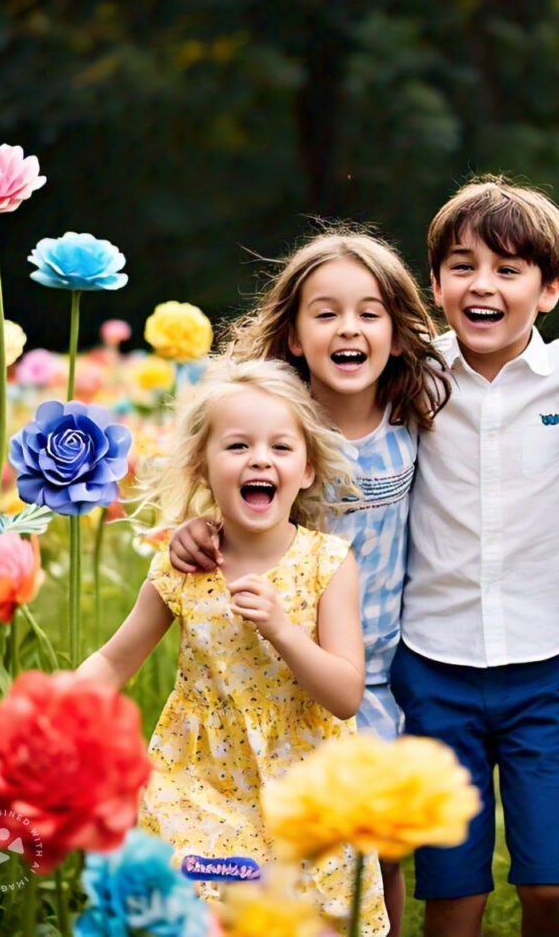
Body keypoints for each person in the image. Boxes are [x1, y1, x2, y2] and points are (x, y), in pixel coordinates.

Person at [167, 229, 449, 935]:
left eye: (369, 312)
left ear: (396, 331)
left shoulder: (413, 417)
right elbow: (228, 490)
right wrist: (192, 530)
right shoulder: (277, 425)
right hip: (278, 666)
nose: (347, 328)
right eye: (325, 313)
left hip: (375, 672)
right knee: (277, 846)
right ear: (292, 335)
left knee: (376, 847)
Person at [78, 357, 387, 935]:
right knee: (199, 916)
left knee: (302, 921)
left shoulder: (327, 564)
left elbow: (346, 694)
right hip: (198, 782)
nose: (260, 459)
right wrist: (55, 709)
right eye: (238, 446)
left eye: (280, 447)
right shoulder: (180, 568)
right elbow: (118, 659)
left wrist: (284, 631)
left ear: (309, 469)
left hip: (305, 789)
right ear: (202, 466)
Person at [388, 177, 559, 937]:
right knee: (453, 892)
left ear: (549, 289)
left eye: (510, 270)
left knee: (548, 885)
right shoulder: (407, 375)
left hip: (549, 665)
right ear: (435, 280)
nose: (484, 285)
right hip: (433, 662)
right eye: (464, 265)